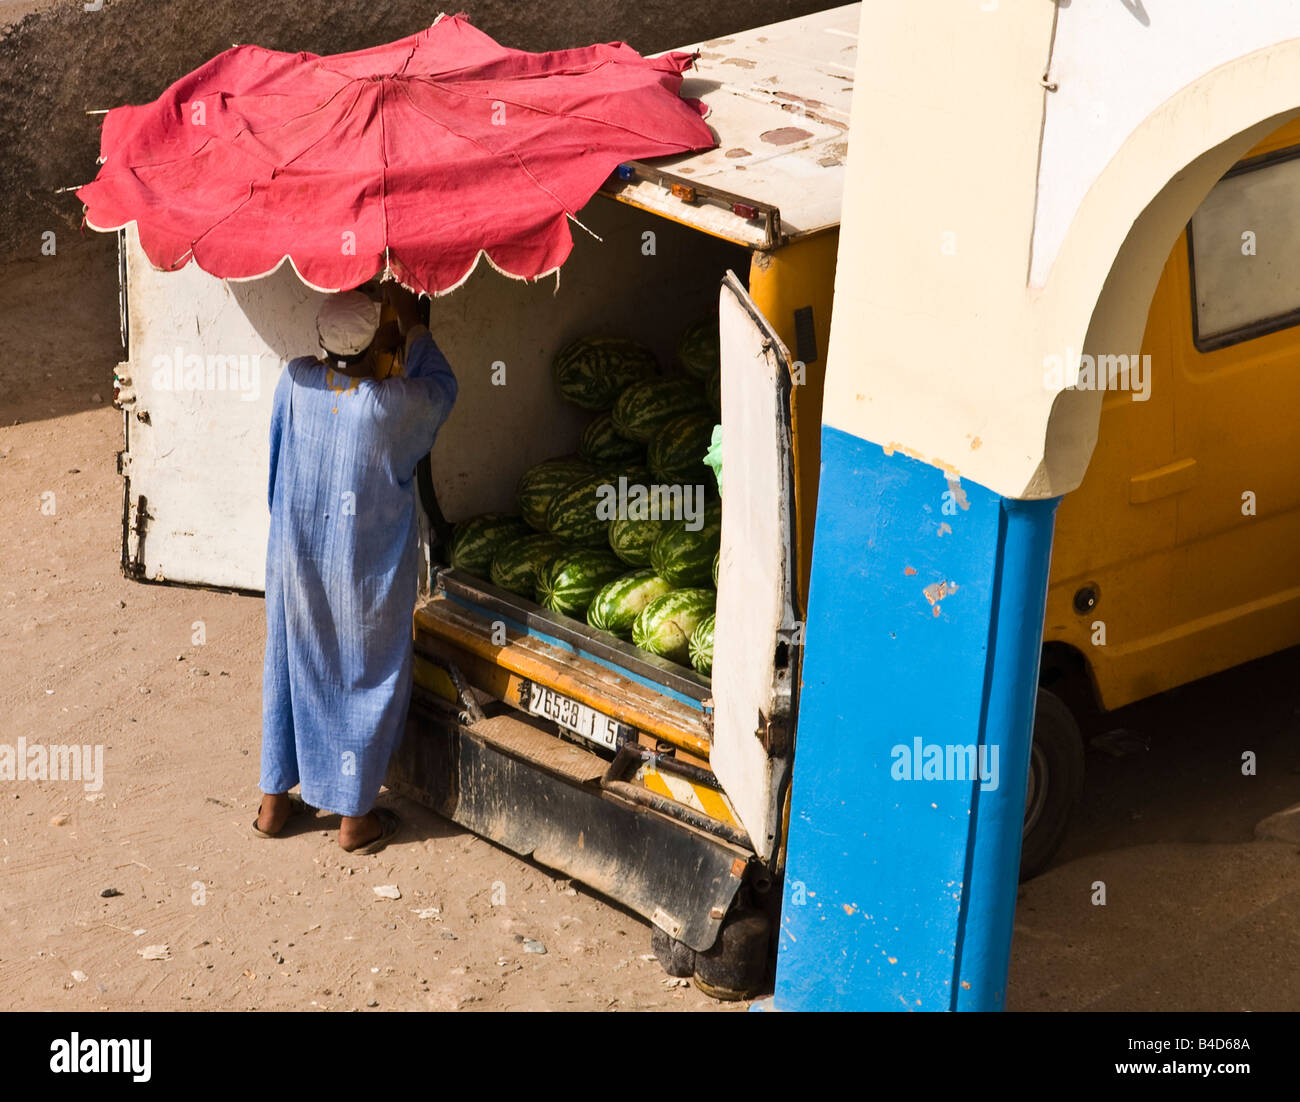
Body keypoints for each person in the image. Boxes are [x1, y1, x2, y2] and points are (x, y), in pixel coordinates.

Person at [254, 283, 457, 853]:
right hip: (359, 572)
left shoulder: (295, 380)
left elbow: (275, 467)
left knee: (291, 663)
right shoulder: (387, 406)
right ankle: (355, 819)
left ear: (321, 344)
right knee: (361, 671)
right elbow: (443, 389)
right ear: (376, 351)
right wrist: (416, 327)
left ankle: (273, 805)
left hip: (293, 554)